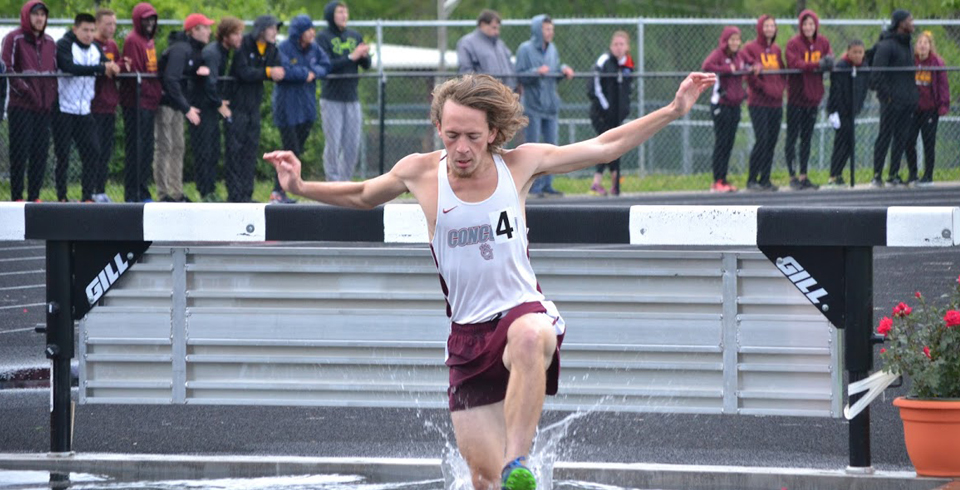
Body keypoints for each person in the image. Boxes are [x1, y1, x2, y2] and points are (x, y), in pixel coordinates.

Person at [264, 71, 715, 490]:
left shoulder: (519, 165)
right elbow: (363, 194)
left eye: (473, 137)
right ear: (439, 126)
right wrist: (302, 187)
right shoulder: (419, 172)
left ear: (493, 134)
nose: (461, 147)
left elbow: (604, 146)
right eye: (452, 134)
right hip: (467, 336)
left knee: (529, 337)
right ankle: (504, 473)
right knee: (484, 480)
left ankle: (519, 461)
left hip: (520, 312)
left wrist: (673, 111)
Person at [53, 13, 119, 202]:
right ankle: (62, 197)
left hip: (84, 110)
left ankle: (87, 195)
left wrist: (113, 66)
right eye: (85, 30)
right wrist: (98, 69)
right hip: (64, 108)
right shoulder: (65, 45)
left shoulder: (95, 48)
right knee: (63, 155)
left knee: (93, 151)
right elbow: (70, 67)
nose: (89, 34)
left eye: (92, 30)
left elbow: (107, 63)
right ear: (76, 29)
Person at [225, 15, 285, 203]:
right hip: (237, 106)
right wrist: (267, 72)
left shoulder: (271, 48)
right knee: (235, 151)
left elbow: (277, 68)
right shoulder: (244, 45)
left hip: (254, 107)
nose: (275, 32)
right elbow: (244, 72)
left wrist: (270, 71)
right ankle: (235, 196)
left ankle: (247, 194)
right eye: (272, 28)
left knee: (251, 151)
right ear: (261, 29)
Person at [155, 13, 213, 203]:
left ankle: (177, 192)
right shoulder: (180, 49)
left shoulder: (195, 50)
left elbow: (189, 73)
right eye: (205, 27)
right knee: (165, 147)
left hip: (178, 106)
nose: (209, 31)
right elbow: (171, 79)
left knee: (178, 147)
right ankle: (163, 194)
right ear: (193, 30)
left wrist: (200, 72)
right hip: (166, 105)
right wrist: (187, 108)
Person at [2, 0, 57, 202]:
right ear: (27, 16)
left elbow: (55, 72)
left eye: (43, 15)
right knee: (19, 153)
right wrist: (27, 91)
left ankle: (34, 197)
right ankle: (17, 197)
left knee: (40, 154)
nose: (40, 18)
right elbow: (7, 69)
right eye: (35, 14)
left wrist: (49, 97)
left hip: (43, 108)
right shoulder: (13, 38)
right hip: (21, 107)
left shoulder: (50, 42)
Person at [272, 14, 331, 202]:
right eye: (308, 29)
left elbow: (326, 65)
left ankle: (281, 191)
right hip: (287, 107)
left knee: (296, 151)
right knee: (290, 149)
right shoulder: (284, 48)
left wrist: (314, 73)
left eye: (313, 28)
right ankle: (278, 191)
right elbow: (284, 71)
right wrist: (305, 73)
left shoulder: (314, 48)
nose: (312, 33)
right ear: (299, 33)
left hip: (306, 107)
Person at [515, 15, 574, 198]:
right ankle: (534, 186)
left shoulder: (553, 49)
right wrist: (536, 72)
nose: (551, 33)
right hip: (533, 106)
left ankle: (548, 184)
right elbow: (519, 76)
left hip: (550, 106)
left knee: (552, 147)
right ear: (538, 30)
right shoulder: (525, 49)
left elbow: (554, 70)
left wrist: (563, 71)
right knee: (533, 147)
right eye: (547, 29)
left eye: (552, 29)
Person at [317, 1, 370, 183]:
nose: (343, 15)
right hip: (332, 98)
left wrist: (363, 56)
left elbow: (366, 65)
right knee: (333, 143)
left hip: (352, 98)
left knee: (352, 144)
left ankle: (345, 182)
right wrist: (350, 57)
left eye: (345, 12)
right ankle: (333, 181)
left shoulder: (354, 35)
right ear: (331, 14)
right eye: (339, 12)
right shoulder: (323, 37)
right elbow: (325, 66)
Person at [194, 16, 244, 203]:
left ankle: (210, 190)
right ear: (225, 36)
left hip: (210, 108)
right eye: (236, 34)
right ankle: (206, 192)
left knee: (214, 151)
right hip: (204, 109)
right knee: (206, 151)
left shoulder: (223, 52)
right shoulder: (213, 53)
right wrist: (219, 104)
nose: (240, 38)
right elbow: (210, 84)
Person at [784, 9, 832, 191]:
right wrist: (816, 64)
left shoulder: (823, 42)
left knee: (807, 139)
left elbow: (829, 58)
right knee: (792, 138)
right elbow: (795, 64)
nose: (808, 27)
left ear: (816, 25)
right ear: (800, 26)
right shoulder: (793, 44)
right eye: (805, 24)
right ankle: (792, 176)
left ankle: (804, 175)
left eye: (811, 24)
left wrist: (828, 62)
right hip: (796, 98)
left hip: (813, 98)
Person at [870, 9, 917, 188]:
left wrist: (913, 96)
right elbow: (877, 75)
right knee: (885, 136)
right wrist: (888, 97)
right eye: (909, 20)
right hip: (891, 102)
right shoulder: (886, 45)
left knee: (901, 138)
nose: (912, 22)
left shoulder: (908, 45)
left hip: (907, 101)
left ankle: (893, 174)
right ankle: (877, 175)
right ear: (900, 23)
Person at [119, 2, 161, 202]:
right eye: (146, 19)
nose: (150, 23)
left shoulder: (149, 41)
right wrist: (149, 92)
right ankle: (133, 193)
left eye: (152, 19)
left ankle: (142, 190)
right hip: (136, 103)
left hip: (149, 102)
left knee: (146, 151)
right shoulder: (132, 40)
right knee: (136, 150)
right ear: (138, 20)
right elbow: (135, 73)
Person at [701, 26, 747, 193]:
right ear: (726, 40)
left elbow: (748, 64)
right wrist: (727, 70)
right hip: (721, 104)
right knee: (721, 142)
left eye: (737, 39)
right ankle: (717, 180)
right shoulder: (719, 54)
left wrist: (753, 67)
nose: (735, 42)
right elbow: (706, 66)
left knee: (729, 143)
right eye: (732, 39)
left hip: (735, 105)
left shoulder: (739, 56)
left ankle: (724, 179)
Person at [742, 14, 785, 192]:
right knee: (762, 139)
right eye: (766, 26)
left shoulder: (776, 49)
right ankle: (752, 179)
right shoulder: (750, 48)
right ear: (760, 28)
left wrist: (779, 89)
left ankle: (765, 179)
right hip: (758, 102)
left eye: (772, 26)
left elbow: (782, 73)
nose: (769, 29)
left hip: (776, 103)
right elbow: (747, 73)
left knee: (772, 141)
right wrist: (763, 86)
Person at [588, 30, 633, 197]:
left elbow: (628, 90)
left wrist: (624, 109)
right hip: (601, 114)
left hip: (617, 116)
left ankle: (609, 183)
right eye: (616, 44)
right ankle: (601, 181)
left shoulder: (628, 65)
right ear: (611, 46)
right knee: (607, 145)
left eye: (622, 44)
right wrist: (606, 108)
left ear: (627, 46)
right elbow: (594, 86)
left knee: (614, 146)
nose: (619, 48)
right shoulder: (604, 61)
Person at [905, 30, 949, 187]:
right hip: (913, 109)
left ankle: (928, 176)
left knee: (928, 142)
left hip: (930, 109)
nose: (922, 46)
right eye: (920, 43)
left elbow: (943, 85)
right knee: (908, 140)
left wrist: (943, 104)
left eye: (926, 43)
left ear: (930, 46)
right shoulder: (912, 61)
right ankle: (913, 174)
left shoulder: (936, 62)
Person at [825, 40, 868, 188]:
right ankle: (833, 175)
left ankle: (838, 173)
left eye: (860, 52)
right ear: (848, 52)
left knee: (849, 144)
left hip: (852, 112)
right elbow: (836, 92)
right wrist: (833, 112)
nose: (857, 55)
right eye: (854, 52)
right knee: (841, 143)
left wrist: (857, 107)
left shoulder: (862, 67)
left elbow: (863, 89)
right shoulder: (841, 67)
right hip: (840, 112)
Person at [91, 8, 120, 203]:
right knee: (94, 149)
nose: (112, 28)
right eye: (108, 24)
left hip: (110, 105)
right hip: (93, 106)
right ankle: (90, 190)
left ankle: (100, 190)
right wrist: (106, 67)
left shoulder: (113, 45)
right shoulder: (91, 44)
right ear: (98, 24)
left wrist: (118, 66)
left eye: (114, 24)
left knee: (106, 150)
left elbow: (115, 67)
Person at [457, 9, 517, 92]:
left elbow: (510, 66)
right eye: (494, 28)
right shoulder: (467, 43)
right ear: (482, 25)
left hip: (506, 93)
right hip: (484, 96)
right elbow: (466, 71)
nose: (497, 32)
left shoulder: (500, 44)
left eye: (498, 28)